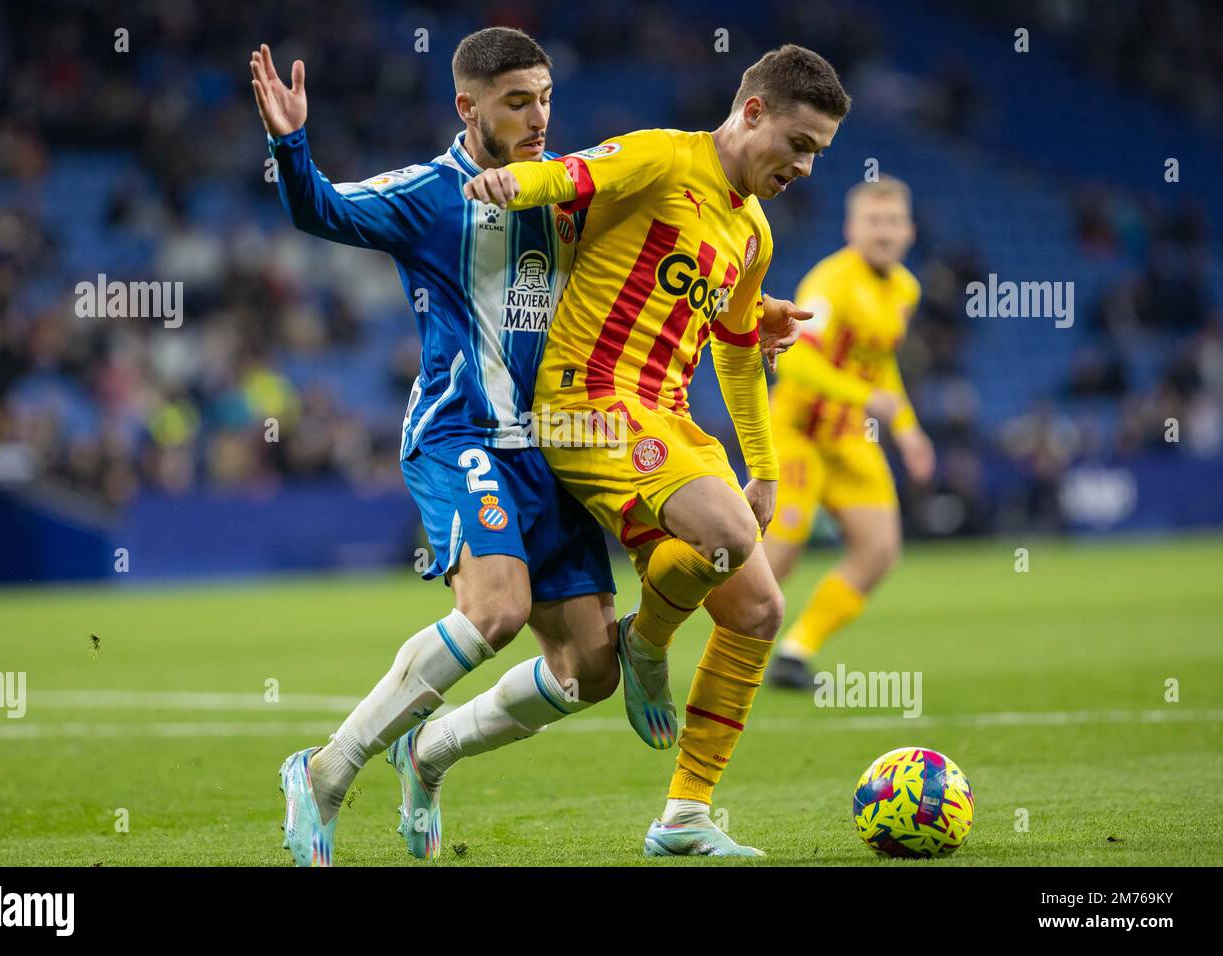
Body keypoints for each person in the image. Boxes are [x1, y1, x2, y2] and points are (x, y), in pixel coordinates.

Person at [463, 43, 848, 855]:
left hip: (665, 421)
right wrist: (508, 181)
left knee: (757, 607)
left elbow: (738, 351)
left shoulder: (754, 236)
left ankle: (684, 816)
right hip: (583, 404)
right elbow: (566, 177)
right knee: (727, 534)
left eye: (819, 153)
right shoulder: (661, 157)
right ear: (752, 114)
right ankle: (645, 644)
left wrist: (765, 467)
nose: (807, 168)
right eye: (801, 145)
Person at [251, 28, 620, 866]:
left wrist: (749, 309)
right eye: (517, 102)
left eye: (545, 97)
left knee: (590, 671)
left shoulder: (567, 191)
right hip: (460, 435)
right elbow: (322, 209)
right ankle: (322, 774)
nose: (537, 117)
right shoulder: (430, 193)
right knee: (496, 609)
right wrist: (289, 141)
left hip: (552, 453)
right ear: (468, 107)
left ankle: (429, 752)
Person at [763, 176, 936, 688]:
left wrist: (908, 429)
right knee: (780, 557)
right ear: (851, 228)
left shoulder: (906, 288)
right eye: (873, 221)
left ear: (909, 231)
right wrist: (866, 400)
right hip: (797, 432)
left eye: (893, 222)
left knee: (879, 549)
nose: (884, 232)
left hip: (848, 437)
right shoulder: (829, 285)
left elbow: (879, 365)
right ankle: (719, 650)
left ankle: (795, 653)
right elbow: (793, 365)